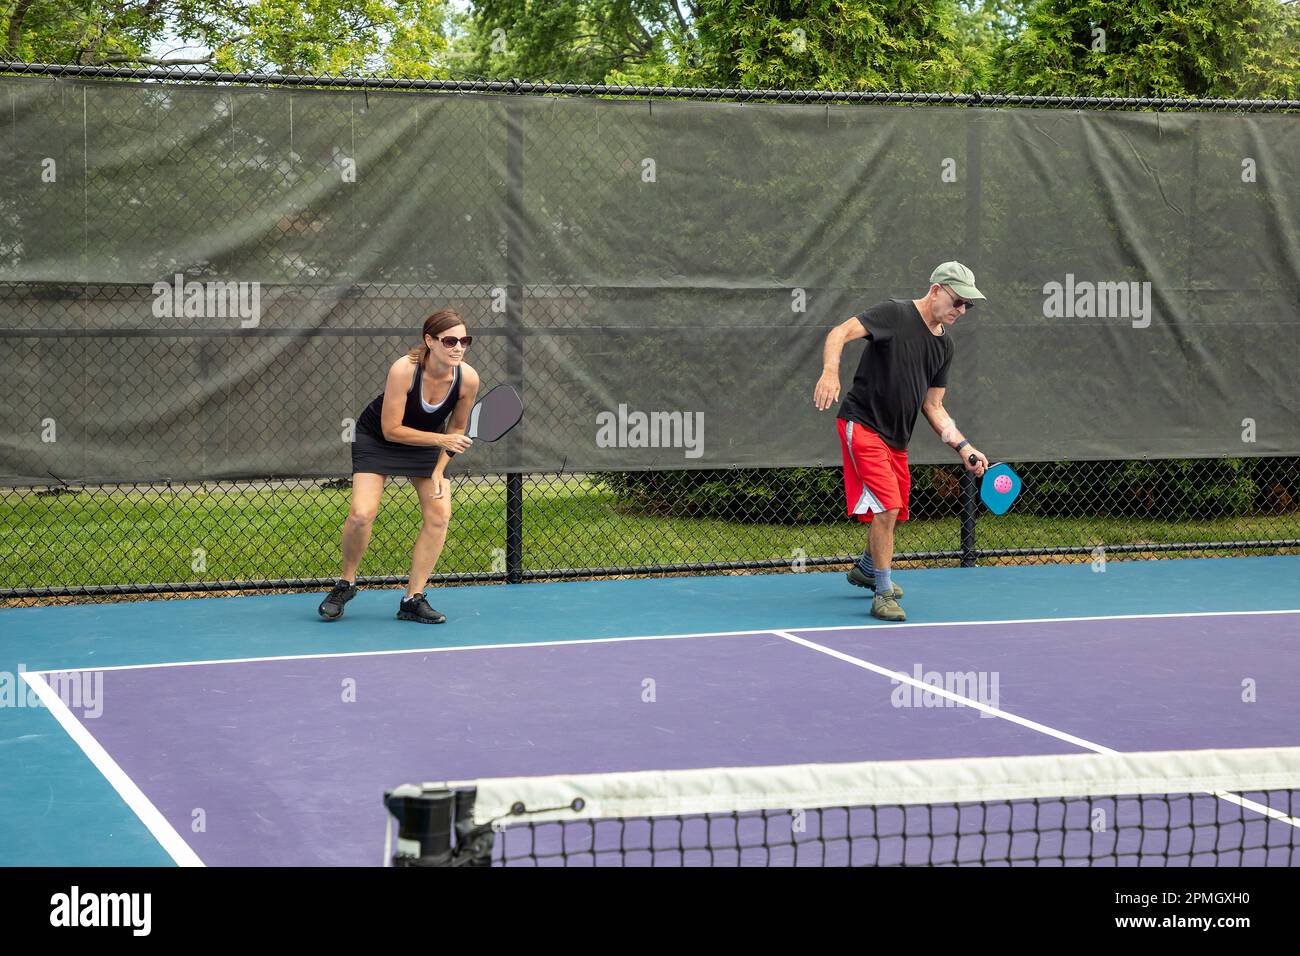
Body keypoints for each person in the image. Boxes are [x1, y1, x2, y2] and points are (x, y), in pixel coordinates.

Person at [814, 262, 990, 622]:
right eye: (958, 301)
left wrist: (964, 447)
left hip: (896, 438)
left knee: (896, 509)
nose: (961, 311)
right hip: (861, 423)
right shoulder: (893, 314)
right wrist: (830, 372)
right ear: (937, 289)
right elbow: (838, 333)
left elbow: (934, 406)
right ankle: (881, 592)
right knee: (887, 505)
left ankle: (865, 567)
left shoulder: (945, 346)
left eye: (967, 306)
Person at [318, 308, 480, 624]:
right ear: (429, 341)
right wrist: (439, 441)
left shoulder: (467, 378)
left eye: (464, 340)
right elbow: (392, 428)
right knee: (361, 514)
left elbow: (457, 428)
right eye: (449, 341)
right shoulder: (404, 369)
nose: (458, 347)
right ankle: (346, 583)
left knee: (440, 513)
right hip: (378, 438)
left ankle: (412, 599)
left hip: (425, 445)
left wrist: (438, 471)